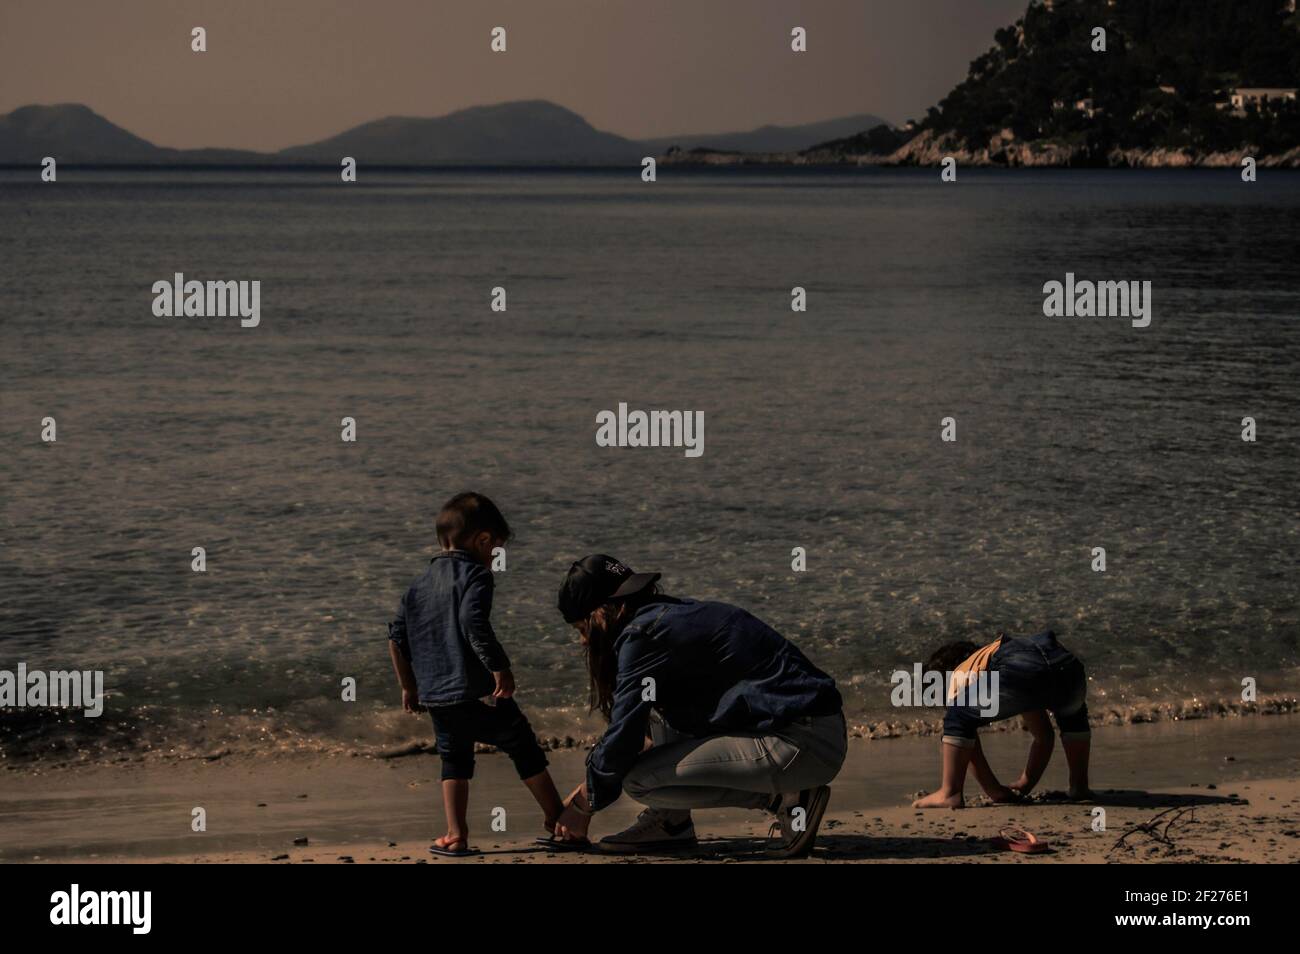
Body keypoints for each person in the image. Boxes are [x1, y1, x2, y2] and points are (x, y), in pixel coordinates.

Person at [550, 555, 847, 858]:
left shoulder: (643, 636)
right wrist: (593, 780)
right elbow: (638, 731)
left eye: (581, 628)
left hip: (803, 744)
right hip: (814, 733)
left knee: (638, 782)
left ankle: (787, 800)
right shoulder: (669, 617)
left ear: (602, 612)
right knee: (653, 712)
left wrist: (583, 804)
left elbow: (624, 737)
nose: (584, 642)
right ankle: (670, 822)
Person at [387, 492, 563, 856]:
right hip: (478, 691)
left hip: (437, 695)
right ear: (483, 540)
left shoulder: (417, 585)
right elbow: (472, 622)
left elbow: (396, 637)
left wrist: (409, 685)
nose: (494, 556)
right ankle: (558, 821)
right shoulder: (477, 575)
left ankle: (455, 834)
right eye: (495, 548)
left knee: (454, 759)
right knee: (522, 746)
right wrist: (499, 665)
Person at [913, 629, 1093, 809]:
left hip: (1021, 665)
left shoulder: (962, 673)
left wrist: (994, 790)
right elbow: (1044, 737)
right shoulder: (993, 655)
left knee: (957, 717)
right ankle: (1079, 787)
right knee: (1073, 716)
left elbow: (965, 738)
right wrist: (1025, 783)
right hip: (1066, 664)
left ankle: (949, 792)